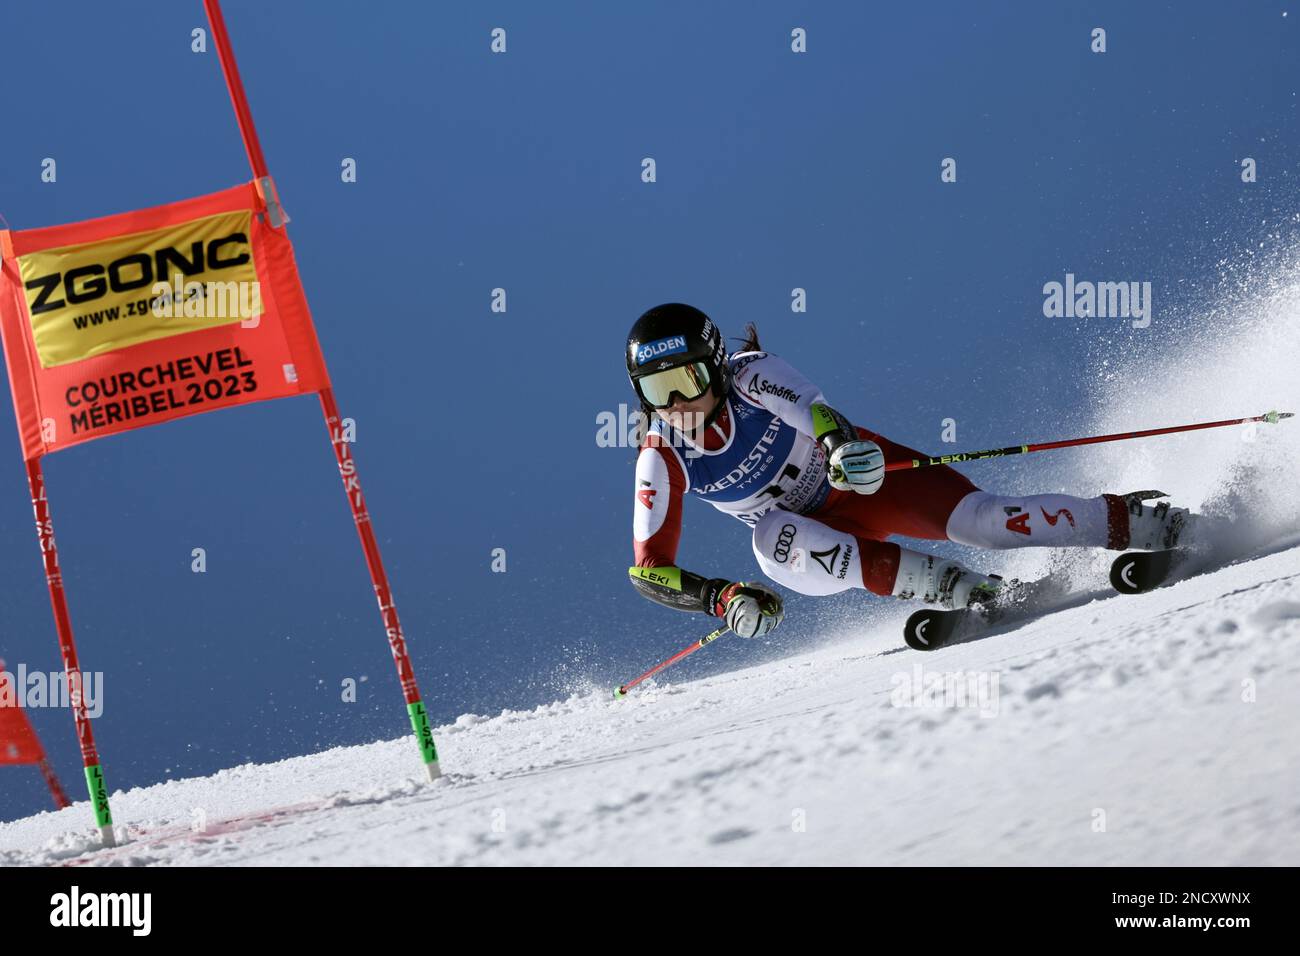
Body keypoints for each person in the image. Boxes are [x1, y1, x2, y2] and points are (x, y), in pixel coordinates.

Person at [625, 303, 1189, 639]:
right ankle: (962, 591)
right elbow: (648, 569)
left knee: (985, 523)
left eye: (687, 381)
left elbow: (812, 409)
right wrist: (719, 598)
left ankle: (1136, 522)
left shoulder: (750, 376)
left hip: (866, 480)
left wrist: (840, 446)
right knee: (771, 539)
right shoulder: (663, 452)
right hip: (814, 539)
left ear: (717, 367)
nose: (676, 402)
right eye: (657, 390)